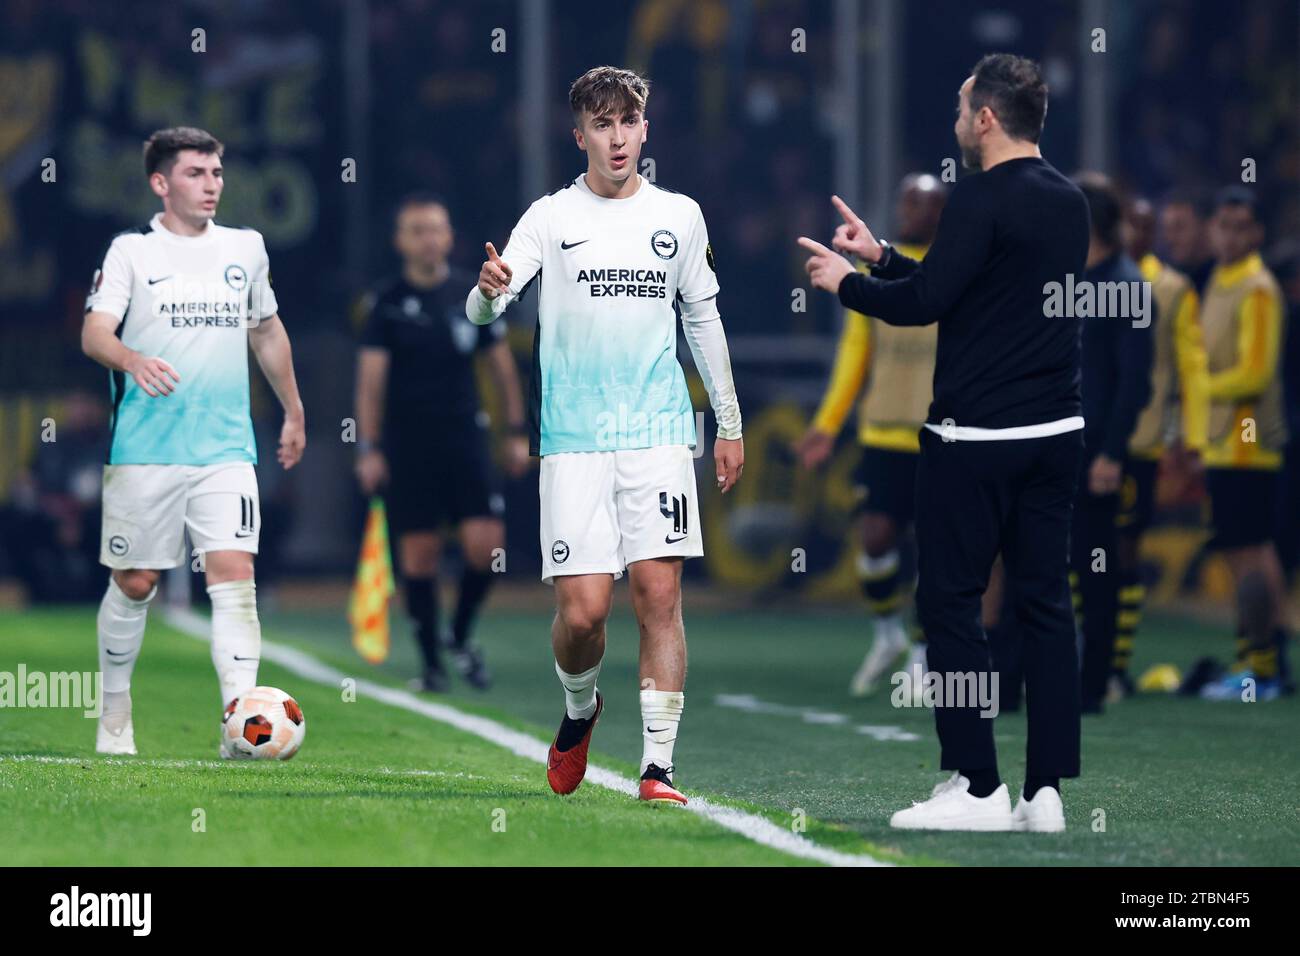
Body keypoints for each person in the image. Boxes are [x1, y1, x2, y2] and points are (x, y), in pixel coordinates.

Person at [800, 54, 1089, 832]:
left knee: (949, 603)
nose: (957, 120)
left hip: (975, 439)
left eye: (965, 107)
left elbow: (930, 302)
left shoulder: (978, 196)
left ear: (987, 118)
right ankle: (1048, 794)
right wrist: (882, 256)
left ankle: (979, 787)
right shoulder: (1070, 201)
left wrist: (845, 283)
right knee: (1045, 605)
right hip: (1058, 431)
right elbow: (981, 289)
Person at [466, 66, 744, 805]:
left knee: (659, 593)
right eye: (602, 124)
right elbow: (486, 310)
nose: (617, 137)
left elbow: (702, 320)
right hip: (574, 438)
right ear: (578, 134)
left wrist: (729, 422)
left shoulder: (679, 216)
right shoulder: (551, 217)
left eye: (628, 122)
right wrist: (487, 291)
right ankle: (581, 709)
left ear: (645, 129)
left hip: (658, 432)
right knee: (584, 614)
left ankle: (658, 768)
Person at [81, 126, 306, 755]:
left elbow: (266, 332)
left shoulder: (247, 247)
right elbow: (95, 332)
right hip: (145, 447)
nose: (212, 185)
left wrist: (293, 410)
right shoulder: (132, 252)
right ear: (161, 183)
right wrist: (129, 359)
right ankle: (115, 711)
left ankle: (239, 724)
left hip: (226, 447)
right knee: (136, 582)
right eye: (196, 174)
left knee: (234, 577)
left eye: (216, 173)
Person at [354, 193, 528, 692]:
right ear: (400, 241)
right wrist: (368, 447)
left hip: (466, 437)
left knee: (486, 547)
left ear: (450, 237)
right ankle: (431, 663)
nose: (429, 238)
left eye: (437, 228)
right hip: (408, 445)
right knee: (419, 557)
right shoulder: (385, 304)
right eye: (417, 229)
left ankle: (459, 632)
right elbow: (370, 384)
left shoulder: (471, 294)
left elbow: (501, 370)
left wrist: (515, 432)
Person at [795, 173, 947, 697]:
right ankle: (887, 635)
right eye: (907, 201)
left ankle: (927, 656)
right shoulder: (875, 266)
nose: (913, 211)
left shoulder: (953, 268)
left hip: (940, 434)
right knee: (877, 540)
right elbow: (854, 354)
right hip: (883, 430)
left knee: (937, 551)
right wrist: (827, 425)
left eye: (925, 203)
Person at [1107, 197, 1208, 700]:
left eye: (1146, 225)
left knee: (1124, 551)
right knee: (1078, 551)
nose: (1136, 232)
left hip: (1141, 443)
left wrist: (1192, 437)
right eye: (1129, 223)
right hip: (1086, 438)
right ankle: (1087, 653)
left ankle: (1115, 664)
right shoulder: (1089, 280)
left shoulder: (1171, 289)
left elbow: (1191, 368)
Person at [1197, 187, 1291, 700]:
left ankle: (1264, 668)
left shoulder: (1256, 287)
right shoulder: (1221, 279)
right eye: (1223, 224)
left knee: (1249, 553)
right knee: (1245, 554)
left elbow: (1254, 374)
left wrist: (1197, 387)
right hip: (1223, 443)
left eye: (1241, 226)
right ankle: (1257, 662)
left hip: (1246, 442)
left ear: (1256, 233)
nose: (1230, 235)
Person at [1069, 173, 1153, 714]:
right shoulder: (1073, 278)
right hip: (1058, 441)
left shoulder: (1126, 285)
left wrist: (1112, 452)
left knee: (1095, 566)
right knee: (1054, 564)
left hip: (1095, 447)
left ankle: (1095, 684)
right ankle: (1044, 675)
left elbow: (1134, 381)